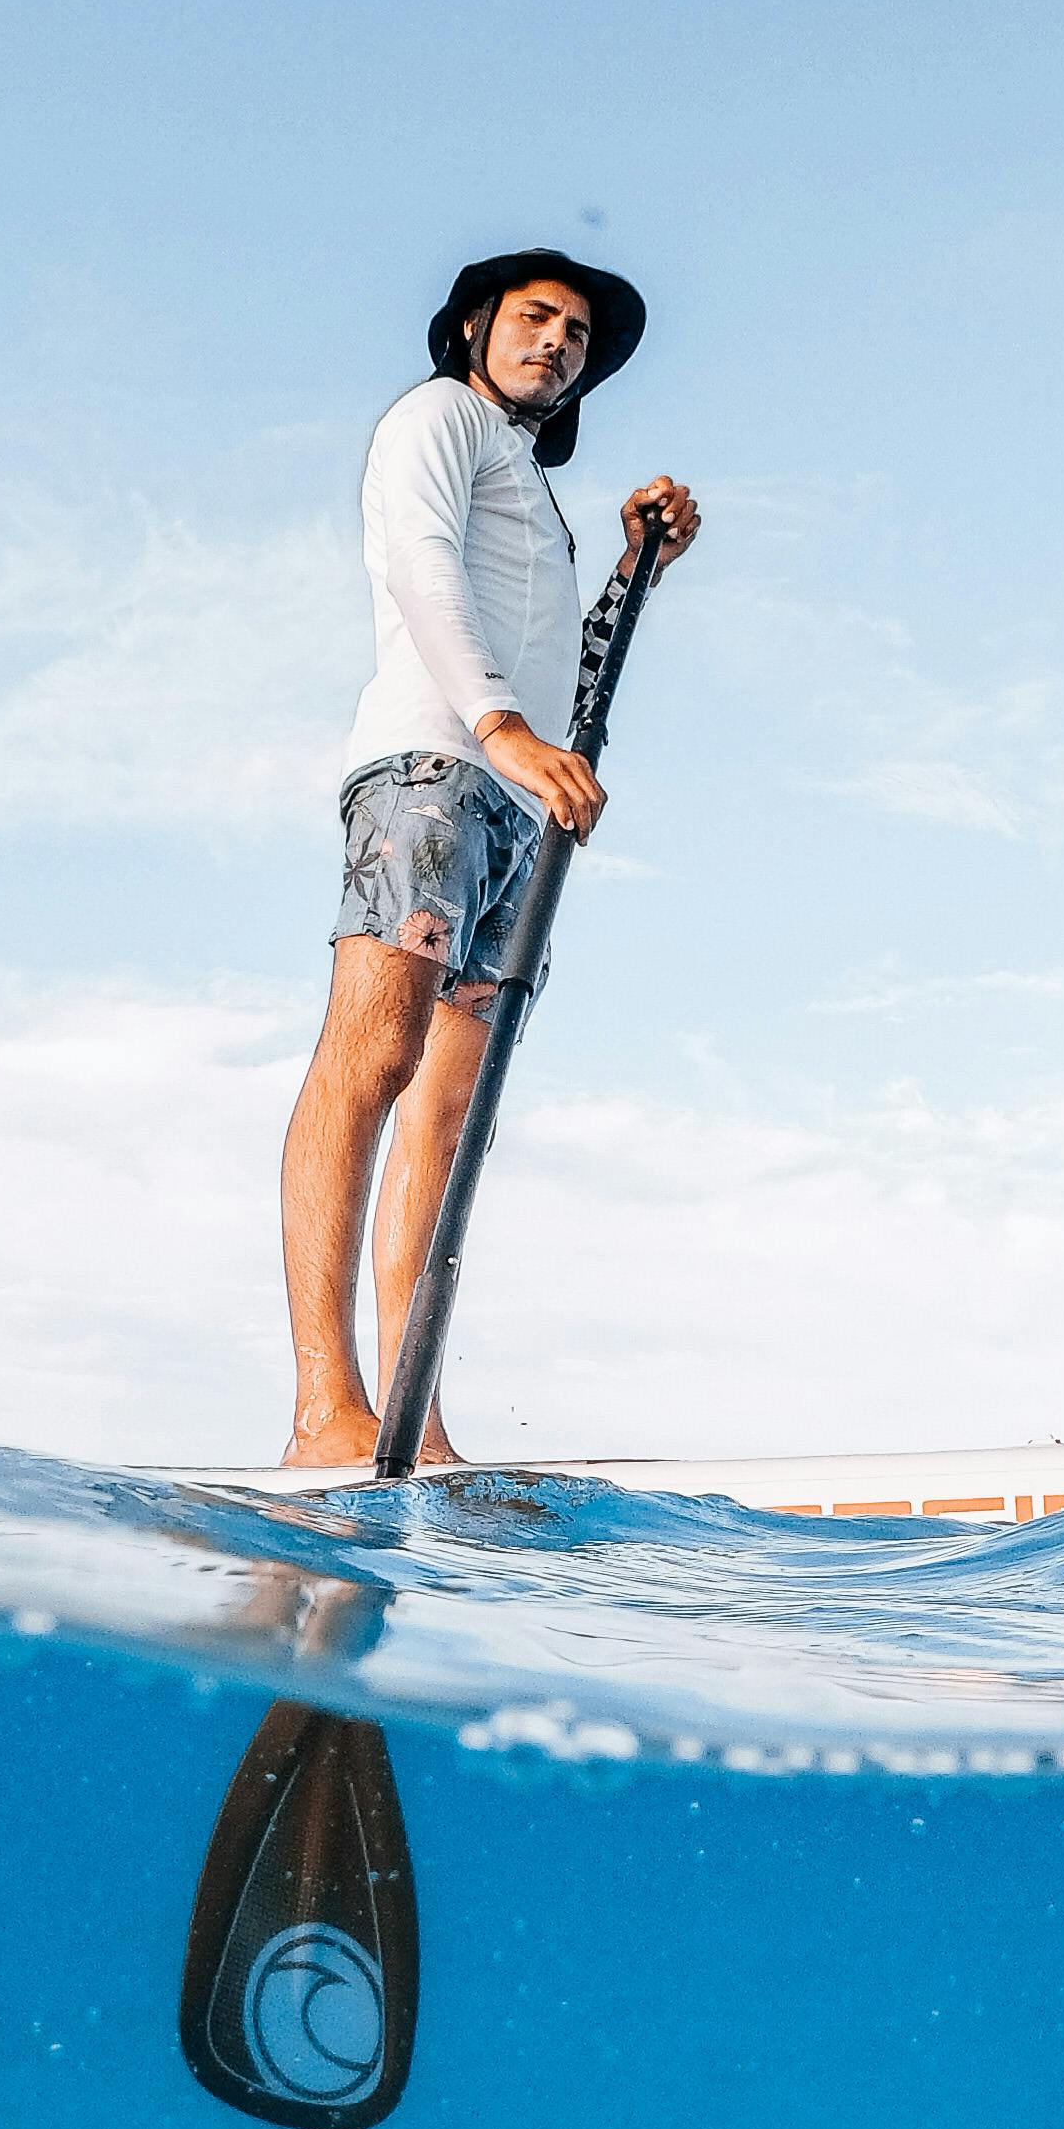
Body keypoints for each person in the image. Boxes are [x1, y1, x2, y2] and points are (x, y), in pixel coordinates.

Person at [277, 248, 699, 1466]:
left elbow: (559, 660)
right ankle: (325, 1409)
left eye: (576, 334)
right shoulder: (439, 418)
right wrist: (502, 729)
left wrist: (631, 569)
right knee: (377, 1052)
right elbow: (417, 563)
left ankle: (417, 1420)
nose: (559, 342)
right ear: (474, 327)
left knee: (453, 1112)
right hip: (432, 769)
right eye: (537, 318)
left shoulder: (532, 490)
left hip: (517, 808)